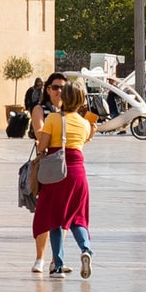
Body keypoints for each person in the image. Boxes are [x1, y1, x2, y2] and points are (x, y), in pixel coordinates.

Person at [30, 74, 95, 277]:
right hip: (78, 172)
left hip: (56, 173)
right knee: (78, 217)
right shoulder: (84, 123)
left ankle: (58, 265)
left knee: (55, 218)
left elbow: (43, 145)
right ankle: (86, 249)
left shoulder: (53, 118)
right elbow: (83, 142)